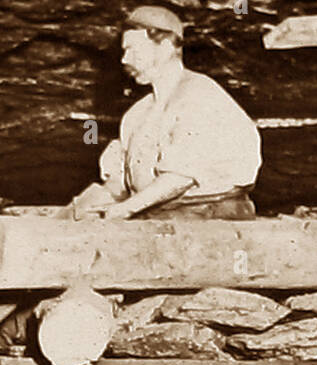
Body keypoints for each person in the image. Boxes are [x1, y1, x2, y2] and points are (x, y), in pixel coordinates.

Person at [71, 5, 262, 221]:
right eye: (125, 51)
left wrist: (125, 210)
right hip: (156, 214)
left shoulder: (200, 96)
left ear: (165, 46)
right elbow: (118, 184)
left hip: (208, 218)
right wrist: (74, 211)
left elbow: (180, 178)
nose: (125, 60)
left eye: (133, 49)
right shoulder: (137, 114)